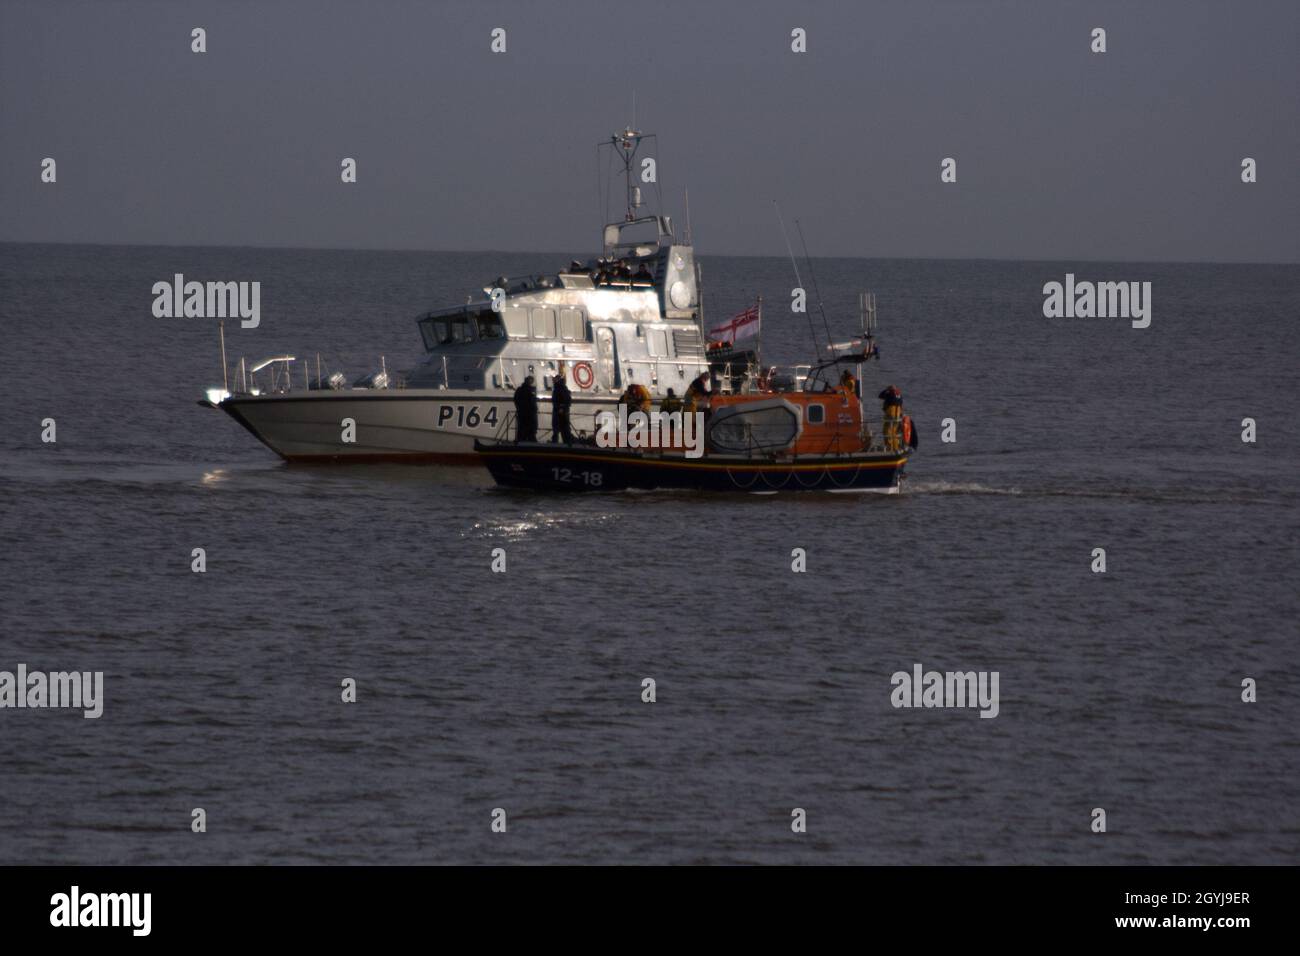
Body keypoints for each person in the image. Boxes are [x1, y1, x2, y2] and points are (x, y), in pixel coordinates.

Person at [551, 368, 573, 444]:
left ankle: (559, 442)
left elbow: (563, 400)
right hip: (560, 411)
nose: (553, 380)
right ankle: (565, 441)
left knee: (559, 428)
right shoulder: (562, 388)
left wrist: (561, 407)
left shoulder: (559, 389)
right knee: (562, 429)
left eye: (555, 379)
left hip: (559, 412)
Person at [513, 375, 538, 442]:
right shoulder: (530, 390)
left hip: (523, 412)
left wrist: (519, 408)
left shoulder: (520, 389)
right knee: (529, 427)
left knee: (522, 427)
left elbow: (516, 399)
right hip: (528, 412)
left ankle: (522, 439)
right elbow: (532, 401)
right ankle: (530, 439)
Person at [879, 384, 903, 452]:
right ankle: (895, 447)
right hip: (897, 414)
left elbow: (880, 396)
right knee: (894, 432)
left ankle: (889, 447)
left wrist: (886, 389)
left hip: (890, 413)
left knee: (887, 431)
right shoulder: (899, 394)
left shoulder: (889, 393)